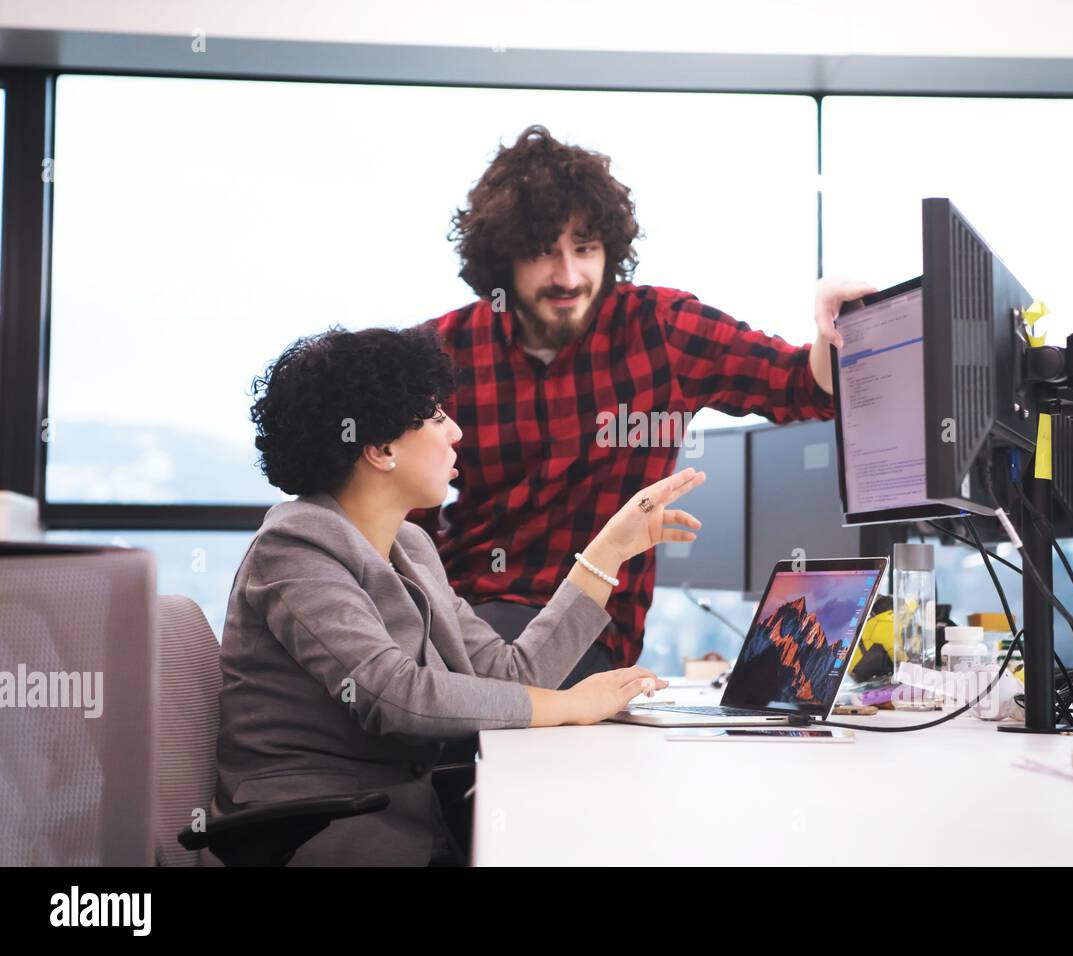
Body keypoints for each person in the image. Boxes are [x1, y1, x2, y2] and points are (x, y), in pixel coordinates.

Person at [214, 324, 706, 866]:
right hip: (319, 835)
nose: (457, 434)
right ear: (380, 448)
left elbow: (511, 673)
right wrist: (569, 705)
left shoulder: (409, 546)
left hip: (407, 823)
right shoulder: (295, 548)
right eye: (436, 416)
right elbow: (395, 697)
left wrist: (608, 551)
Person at [413, 124, 873, 683]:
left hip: (593, 631)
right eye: (542, 253)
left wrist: (830, 322)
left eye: (584, 249)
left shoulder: (663, 330)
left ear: (609, 249)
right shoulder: (444, 351)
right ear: (501, 261)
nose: (568, 276)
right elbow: (398, 523)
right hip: (468, 616)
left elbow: (805, 386)